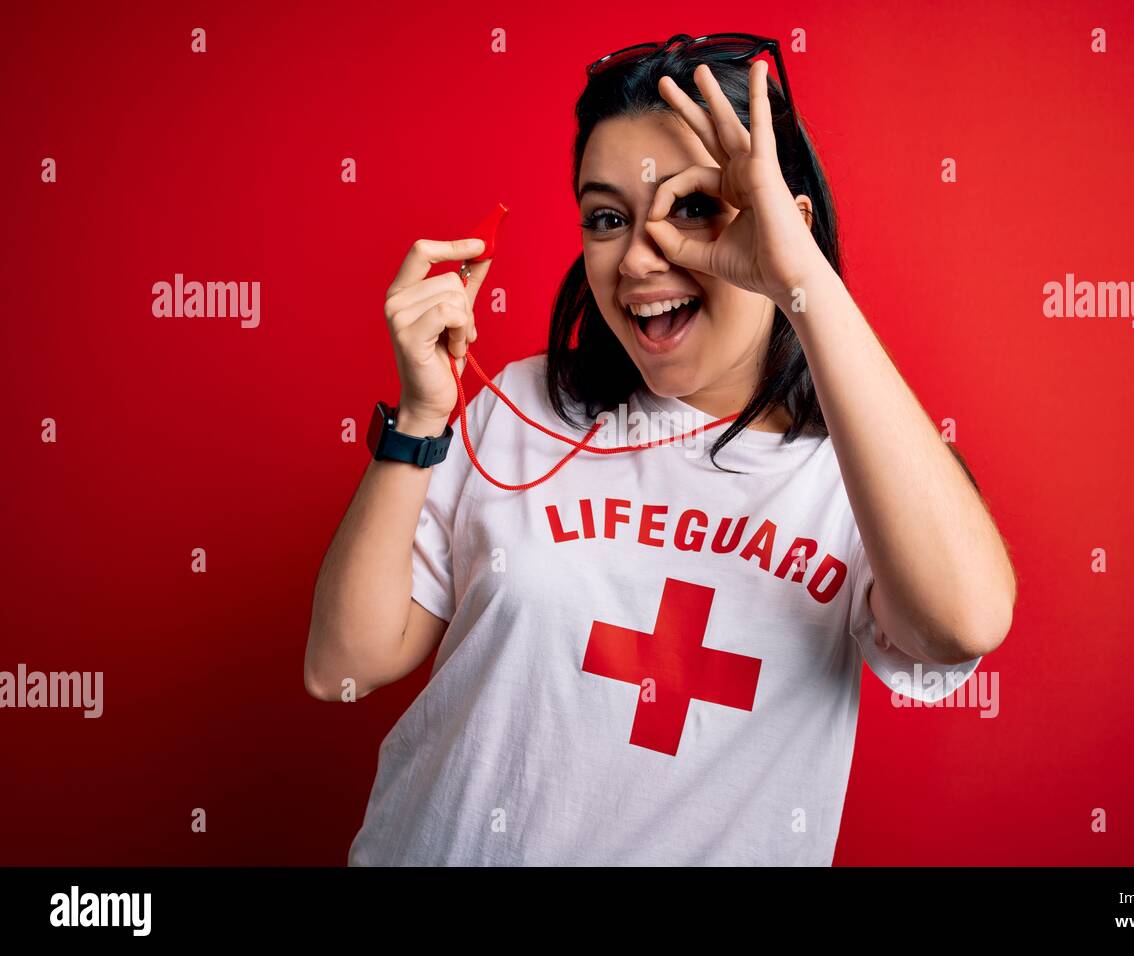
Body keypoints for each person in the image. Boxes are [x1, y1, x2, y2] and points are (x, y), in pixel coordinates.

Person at [305, 33, 1017, 866]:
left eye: (692, 208)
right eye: (607, 217)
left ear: (786, 227)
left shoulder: (858, 477)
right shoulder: (519, 408)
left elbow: (962, 623)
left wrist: (801, 282)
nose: (639, 257)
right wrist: (422, 418)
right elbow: (342, 665)